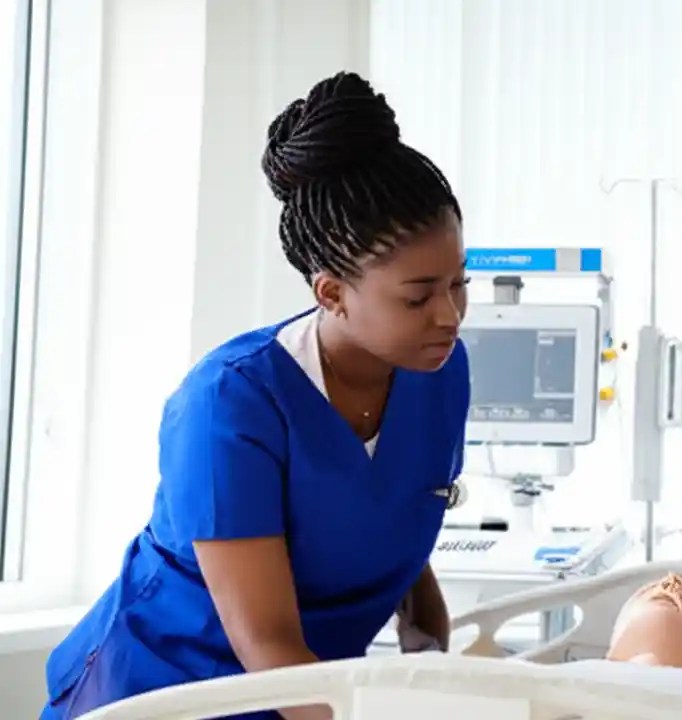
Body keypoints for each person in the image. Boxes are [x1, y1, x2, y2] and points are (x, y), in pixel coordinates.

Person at [40, 71, 470, 720]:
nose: (449, 315)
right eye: (418, 296)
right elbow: (265, 641)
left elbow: (398, 510)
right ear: (330, 293)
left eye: (459, 285)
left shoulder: (439, 369)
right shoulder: (229, 405)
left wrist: (433, 654)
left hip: (310, 690)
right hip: (165, 690)